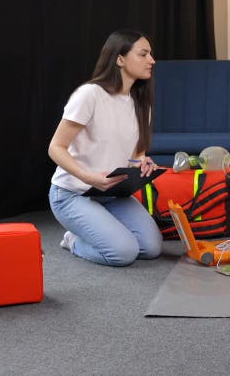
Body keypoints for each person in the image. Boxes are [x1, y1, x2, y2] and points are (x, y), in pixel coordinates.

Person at [48, 30, 162, 267]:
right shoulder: (90, 94)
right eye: (143, 54)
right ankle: (73, 240)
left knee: (151, 248)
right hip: (72, 194)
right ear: (120, 59)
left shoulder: (141, 104)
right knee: (123, 253)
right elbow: (56, 147)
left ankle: (100, 229)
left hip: (111, 193)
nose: (151, 60)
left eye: (151, 54)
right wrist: (87, 176)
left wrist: (142, 161)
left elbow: (135, 154)